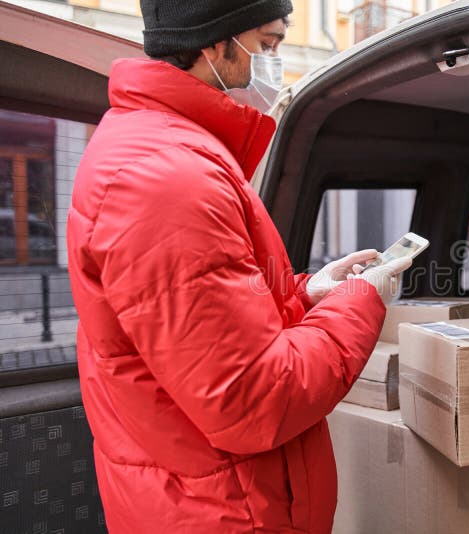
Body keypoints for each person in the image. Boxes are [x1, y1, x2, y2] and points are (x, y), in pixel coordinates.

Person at [66, 1, 411, 532]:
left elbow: (214, 328)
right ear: (213, 42)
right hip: (223, 512)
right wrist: (362, 299)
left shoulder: (162, 151)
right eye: (269, 45)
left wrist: (307, 293)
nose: (276, 62)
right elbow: (253, 399)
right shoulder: (168, 178)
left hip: (206, 497)